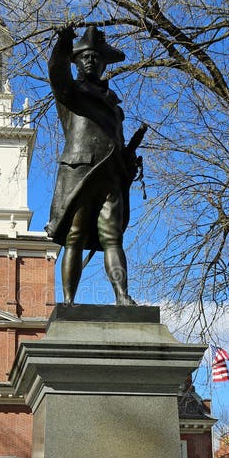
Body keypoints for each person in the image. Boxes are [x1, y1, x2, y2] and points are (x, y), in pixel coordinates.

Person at [45, 24, 145, 306]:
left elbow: (116, 141)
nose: (91, 60)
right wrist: (64, 42)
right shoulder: (70, 93)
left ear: (103, 63)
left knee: (113, 238)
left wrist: (128, 161)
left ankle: (122, 297)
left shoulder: (114, 105)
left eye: (96, 57)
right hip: (80, 172)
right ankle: (68, 302)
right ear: (76, 61)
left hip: (111, 175)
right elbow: (57, 72)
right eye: (84, 56)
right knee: (74, 238)